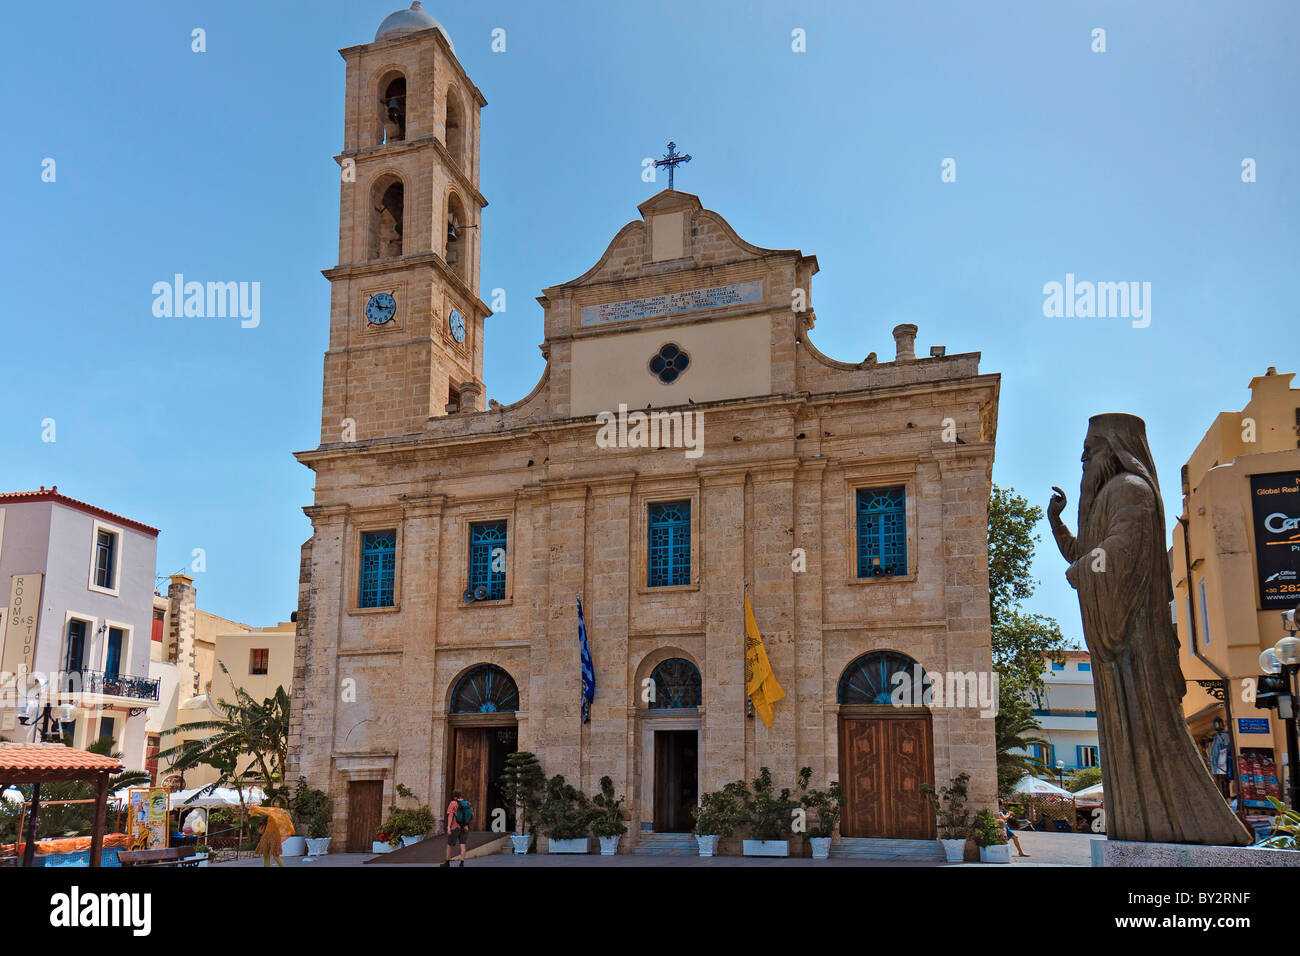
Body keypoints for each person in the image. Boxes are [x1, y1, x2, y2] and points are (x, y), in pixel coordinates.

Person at [443, 789, 471, 867]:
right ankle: (461, 863)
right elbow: (471, 815)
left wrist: (448, 827)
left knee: (449, 845)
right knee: (463, 845)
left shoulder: (453, 803)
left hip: (455, 827)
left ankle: (447, 862)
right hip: (465, 827)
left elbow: (450, 815)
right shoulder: (467, 803)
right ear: (460, 795)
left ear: (454, 795)